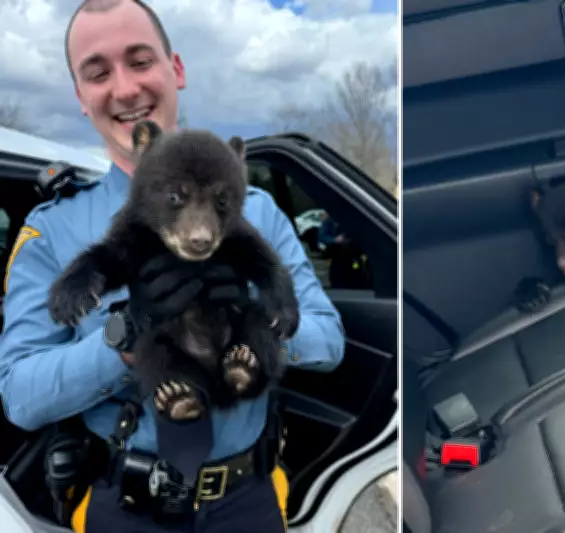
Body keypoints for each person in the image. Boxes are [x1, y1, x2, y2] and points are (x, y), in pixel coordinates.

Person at [0, 0, 345, 531]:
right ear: (80, 96)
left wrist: (251, 321)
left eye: (140, 61)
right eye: (98, 72)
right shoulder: (52, 230)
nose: (125, 89)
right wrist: (125, 340)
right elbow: (21, 396)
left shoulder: (257, 213)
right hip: (126, 500)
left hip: (246, 497)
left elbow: (328, 341)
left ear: (175, 69)